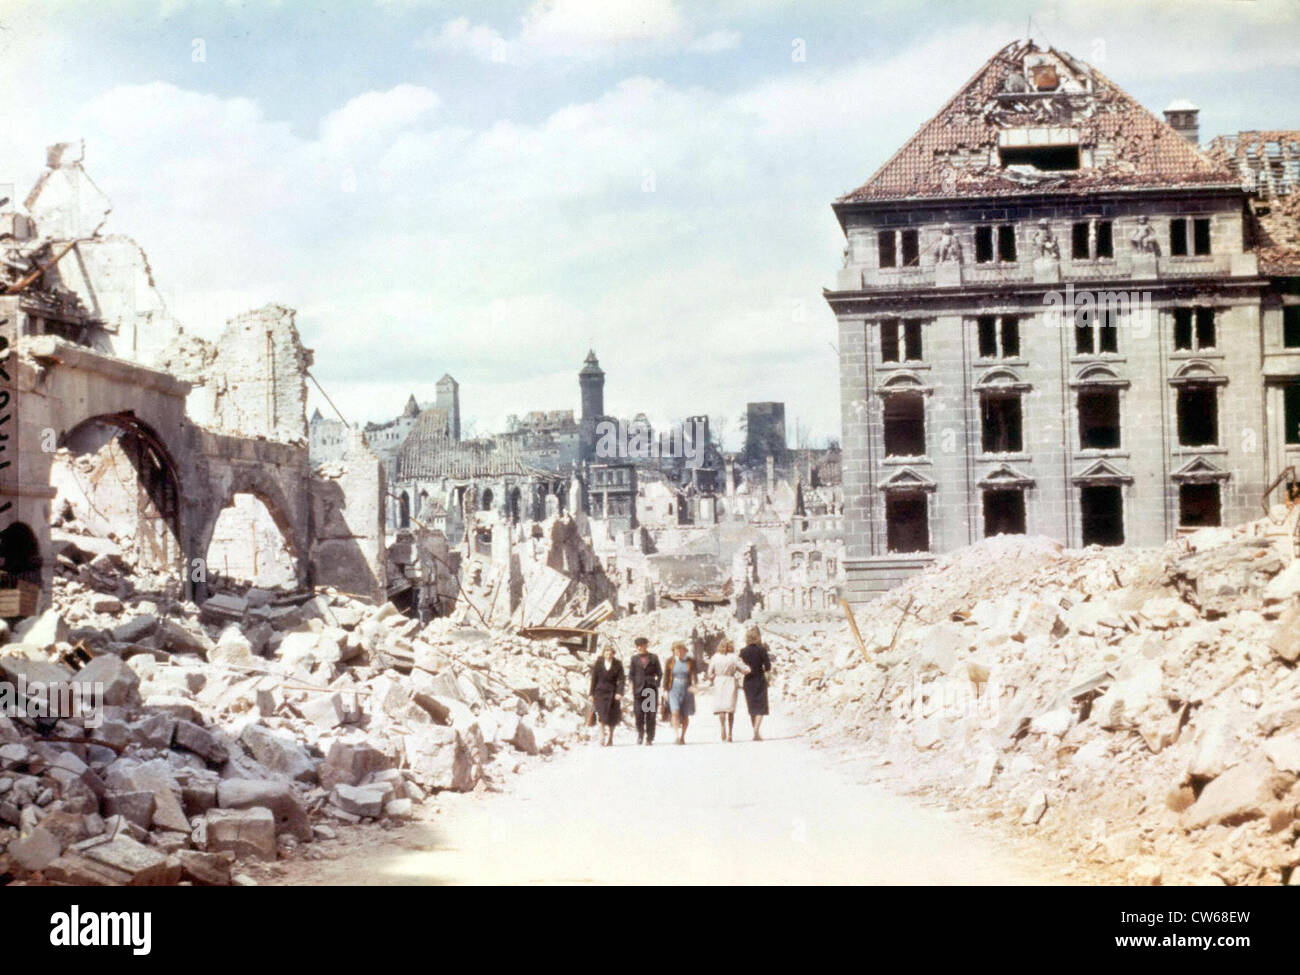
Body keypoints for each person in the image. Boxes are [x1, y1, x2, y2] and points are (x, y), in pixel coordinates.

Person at [707, 639, 751, 743]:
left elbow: (709, 672)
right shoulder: (733, 657)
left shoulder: (715, 657)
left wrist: (713, 677)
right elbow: (744, 669)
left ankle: (723, 727)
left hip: (719, 680)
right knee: (730, 708)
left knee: (721, 707)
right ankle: (730, 733)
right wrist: (748, 669)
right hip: (730, 681)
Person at [739, 625, 773, 741]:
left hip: (748, 680)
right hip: (759, 678)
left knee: (752, 706)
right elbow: (768, 666)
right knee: (761, 706)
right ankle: (756, 731)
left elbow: (739, 666)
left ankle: (755, 729)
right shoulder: (762, 650)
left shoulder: (743, 651)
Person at [588, 641, 625, 747]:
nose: (608, 654)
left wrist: (619, 692)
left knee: (612, 716)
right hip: (600, 692)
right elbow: (594, 678)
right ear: (603, 653)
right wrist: (591, 693)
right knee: (601, 715)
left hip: (613, 693)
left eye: (610, 652)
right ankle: (602, 736)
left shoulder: (618, 664)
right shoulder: (599, 663)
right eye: (606, 651)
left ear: (613, 653)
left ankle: (611, 737)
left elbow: (622, 679)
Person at [627, 636, 662, 745]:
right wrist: (630, 686)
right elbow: (631, 674)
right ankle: (640, 734)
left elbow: (660, 673)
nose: (640, 648)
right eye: (638, 646)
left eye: (642, 645)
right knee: (639, 714)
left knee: (651, 715)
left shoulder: (654, 657)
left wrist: (657, 683)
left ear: (646, 646)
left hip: (650, 689)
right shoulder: (634, 659)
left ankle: (649, 738)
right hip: (638, 690)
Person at [662, 641, 696, 745]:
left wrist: (694, 685)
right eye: (676, 650)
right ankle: (676, 735)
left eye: (681, 650)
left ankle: (682, 737)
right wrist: (665, 690)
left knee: (685, 715)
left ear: (685, 650)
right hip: (673, 689)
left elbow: (694, 675)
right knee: (675, 712)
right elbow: (666, 676)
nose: (679, 652)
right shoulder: (670, 661)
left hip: (687, 690)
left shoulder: (690, 661)